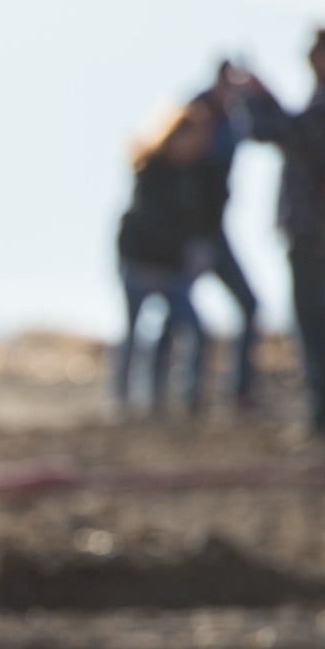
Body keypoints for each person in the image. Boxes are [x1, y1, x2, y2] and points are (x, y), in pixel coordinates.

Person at [240, 28, 325, 449]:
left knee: (312, 324)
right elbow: (289, 130)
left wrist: (256, 98)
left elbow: (281, 132)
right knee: (314, 321)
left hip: (315, 231)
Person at [112, 102, 218, 417]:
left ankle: (184, 401)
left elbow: (199, 222)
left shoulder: (196, 175)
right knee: (133, 333)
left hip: (173, 268)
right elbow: (147, 224)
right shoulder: (150, 171)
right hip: (141, 264)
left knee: (189, 331)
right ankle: (124, 403)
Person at [189, 62, 259, 409]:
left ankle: (240, 391)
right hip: (189, 230)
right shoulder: (191, 118)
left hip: (214, 229)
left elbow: (267, 130)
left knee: (248, 304)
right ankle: (187, 398)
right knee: (182, 315)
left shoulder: (233, 123)